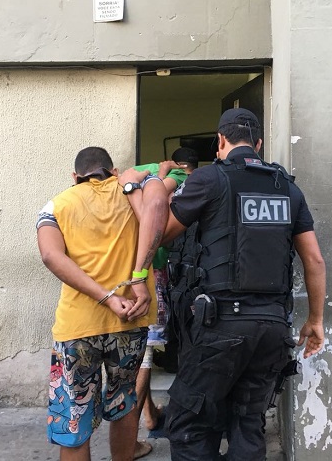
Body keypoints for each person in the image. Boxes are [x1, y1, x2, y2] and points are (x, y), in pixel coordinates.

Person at [160, 108, 326, 460]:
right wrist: (315, 319)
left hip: (220, 325)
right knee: (248, 424)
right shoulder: (288, 189)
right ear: (259, 144)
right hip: (271, 329)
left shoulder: (209, 179)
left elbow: (163, 234)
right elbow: (314, 260)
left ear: (219, 141)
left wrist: (162, 187)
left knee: (190, 426)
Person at [36, 146, 168, 461]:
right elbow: (160, 209)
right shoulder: (130, 192)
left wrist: (105, 297)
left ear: (75, 176)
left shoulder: (57, 205)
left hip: (76, 327)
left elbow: (50, 255)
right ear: (112, 171)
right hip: (130, 320)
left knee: (74, 413)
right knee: (123, 402)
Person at [131, 147, 199, 444]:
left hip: (134, 270)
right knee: (146, 353)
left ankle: (149, 416)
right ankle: (129, 438)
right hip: (152, 272)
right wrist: (161, 176)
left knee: (142, 349)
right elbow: (156, 206)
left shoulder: (136, 172)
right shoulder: (176, 177)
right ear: (187, 169)